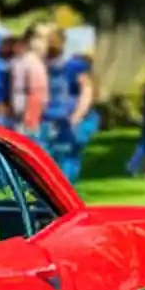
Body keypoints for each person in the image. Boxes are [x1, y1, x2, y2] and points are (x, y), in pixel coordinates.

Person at [43, 29, 98, 182]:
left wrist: (77, 116)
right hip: (48, 119)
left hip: (69, 120)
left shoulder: (73, 66)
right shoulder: (41, 64)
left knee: (66, 159)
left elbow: (86, 90)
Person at [10, 26, 49, 137]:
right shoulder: (17, 61)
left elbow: (36, 90)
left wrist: (30, 113)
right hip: (18, 107)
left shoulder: (31, 62)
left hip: (28, 107)